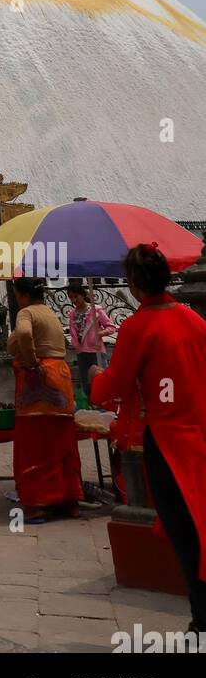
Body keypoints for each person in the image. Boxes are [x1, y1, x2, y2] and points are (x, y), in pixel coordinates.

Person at [91, 243, 206, 631]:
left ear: (135, 284)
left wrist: (95, 380)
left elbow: (114, 385)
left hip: (169, 440)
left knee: (184, 528)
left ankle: (202, 618)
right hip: (201, 431)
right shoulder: (193, 320)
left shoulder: (138, 327)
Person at [7, 276, 83, 523]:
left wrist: (29, 363)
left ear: (23, 295)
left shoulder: (26, 313)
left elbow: (25, 333)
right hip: (61, 377)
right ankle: (69, 500)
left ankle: (37, 504)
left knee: (34, 444)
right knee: (62, 441)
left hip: (38, 382)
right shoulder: (50, 313)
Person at [67, 280, 117, 391]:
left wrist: (100, 333)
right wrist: (75, 344)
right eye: (71, 298)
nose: (74, 300)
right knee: (86, 384)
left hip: (96, 350)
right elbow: (72, 331)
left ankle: (103, 405)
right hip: (81, 352)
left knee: (101, 381)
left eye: (76, 297)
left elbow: (111, 327)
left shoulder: (96, 310)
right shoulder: (72, 314)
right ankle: (90, 405)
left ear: (83, 295)